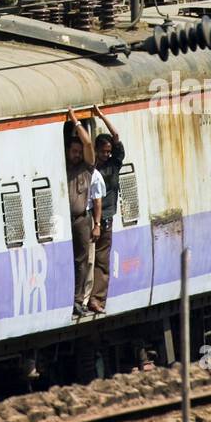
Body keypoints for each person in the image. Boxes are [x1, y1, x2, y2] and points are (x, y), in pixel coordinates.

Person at [65, 113, 105, 317]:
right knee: (67, 260)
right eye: (74, 151)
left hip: (81, 219)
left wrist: (75, 120)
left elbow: (88, 143)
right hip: (64, 222)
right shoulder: (63, 168)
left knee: (81, 262)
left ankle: (78, 299)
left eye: (79, 152)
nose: (77, 155)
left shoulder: (86, 168)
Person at [88, 106, 126, 314]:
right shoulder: (91, 166)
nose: (106, 154)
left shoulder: (114, 164)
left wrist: (101, 116)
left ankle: (97, 298)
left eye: (108, 151)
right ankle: (86, 296)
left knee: (102, 260)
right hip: (90, 217)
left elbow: (117, 136)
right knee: (89, 259)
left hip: (107, 218)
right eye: (102, 151)